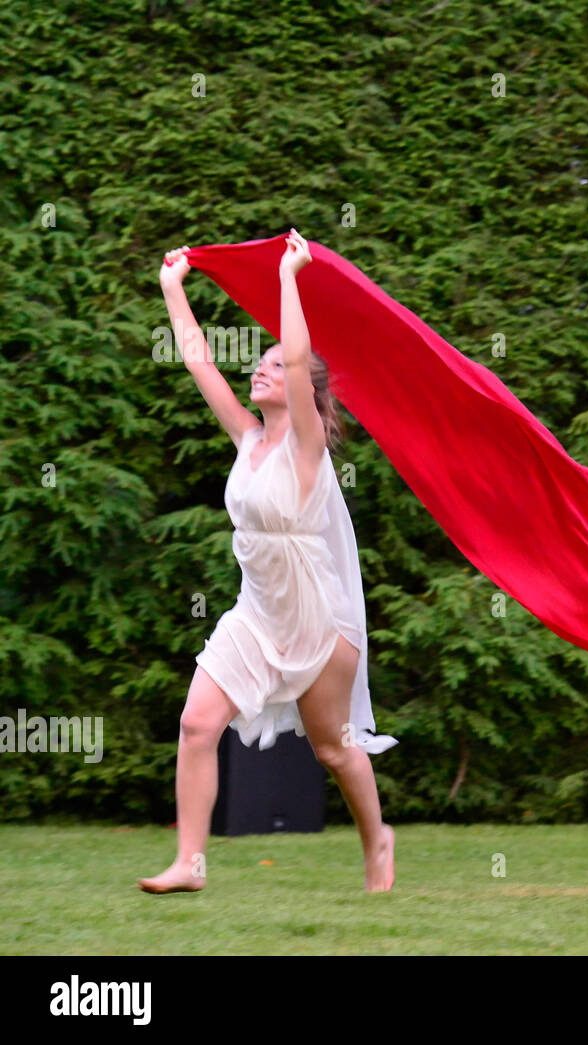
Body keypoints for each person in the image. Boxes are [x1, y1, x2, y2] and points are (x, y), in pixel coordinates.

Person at [139, 230, 396, 894]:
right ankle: (189, 864)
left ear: (304, 391)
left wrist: (289, 275)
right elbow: (198, 361)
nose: (261, 370)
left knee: (334, 748)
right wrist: (174, 287)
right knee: (197, 722)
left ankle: (378, 842)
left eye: (277, 366)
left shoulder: (305, 446)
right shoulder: (246, 437)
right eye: (260, 362)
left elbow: (303, 349)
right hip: (256, 614)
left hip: (318, 618)